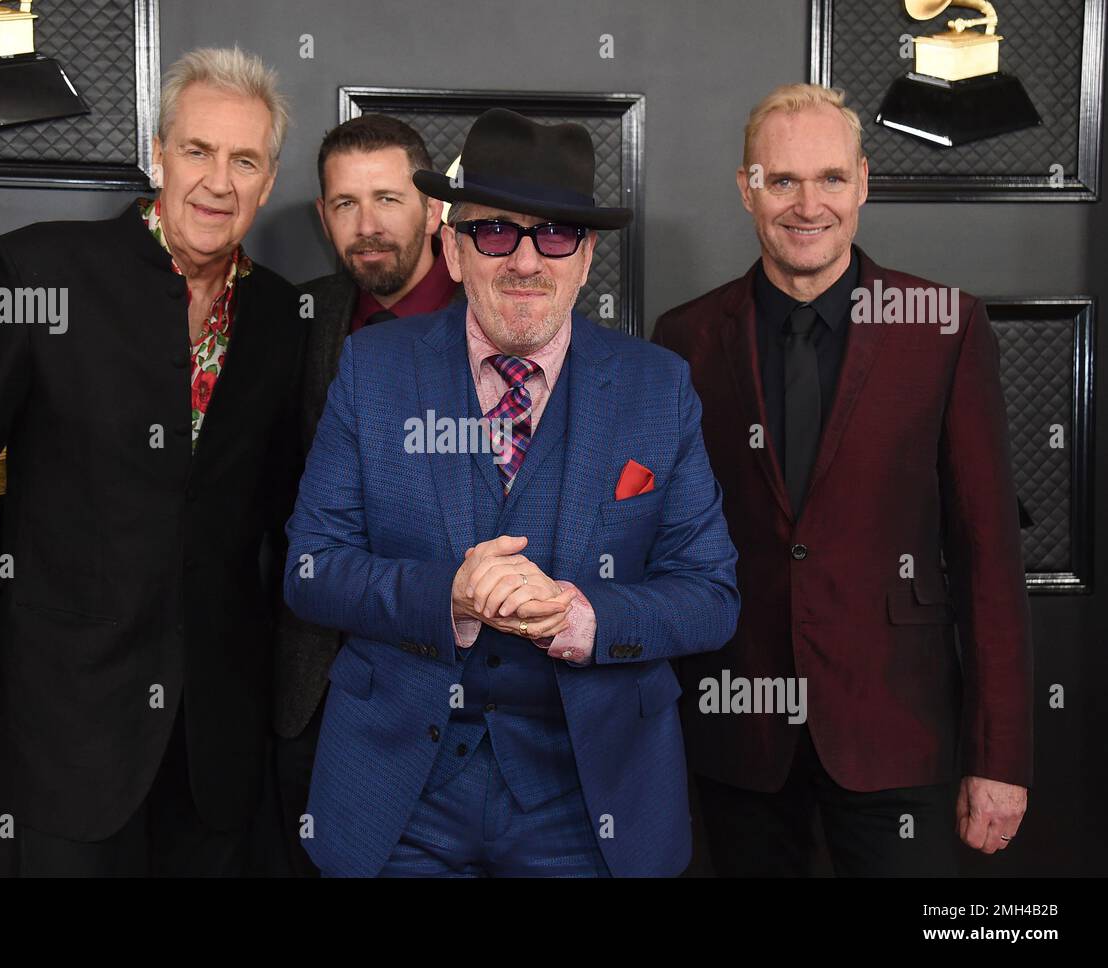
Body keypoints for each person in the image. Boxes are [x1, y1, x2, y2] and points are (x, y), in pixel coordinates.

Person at [0, 47, 306, 876]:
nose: (218, 181)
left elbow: (281, 517)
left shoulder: (285, 315)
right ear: (157, 155)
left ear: (269, 178)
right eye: (198, 150)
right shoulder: (40, 271)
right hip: (68, 730)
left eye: (243, 159)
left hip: (216, 742)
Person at [284, 108, 739, 877]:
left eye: (554, 233)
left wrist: (588, 616)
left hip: (586, 797)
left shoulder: (657, 388)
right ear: (454, 251)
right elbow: (312, 570)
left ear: (586, 256)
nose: (525, 261)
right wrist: (449, 599)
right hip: (402, 795)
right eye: (494, 232)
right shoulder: (372, 368)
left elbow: (712, 595)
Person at [652, 83, 1032, 876]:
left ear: (863, 182)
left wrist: (998, 755)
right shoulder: (683, 337)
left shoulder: (943, 327)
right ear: (746, 187)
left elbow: (987, 553)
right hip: (738, 732)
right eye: (781, 180)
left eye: (829, 179)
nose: (806, 205)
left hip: (898, 729)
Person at [275, 115, 463, 875]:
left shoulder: (499, 313)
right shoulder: (298, 318)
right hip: (317, 690)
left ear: (434, 208)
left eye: (387, 198)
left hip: (457, 697)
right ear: (323, 216)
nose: (367, 225)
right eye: (344, 204)